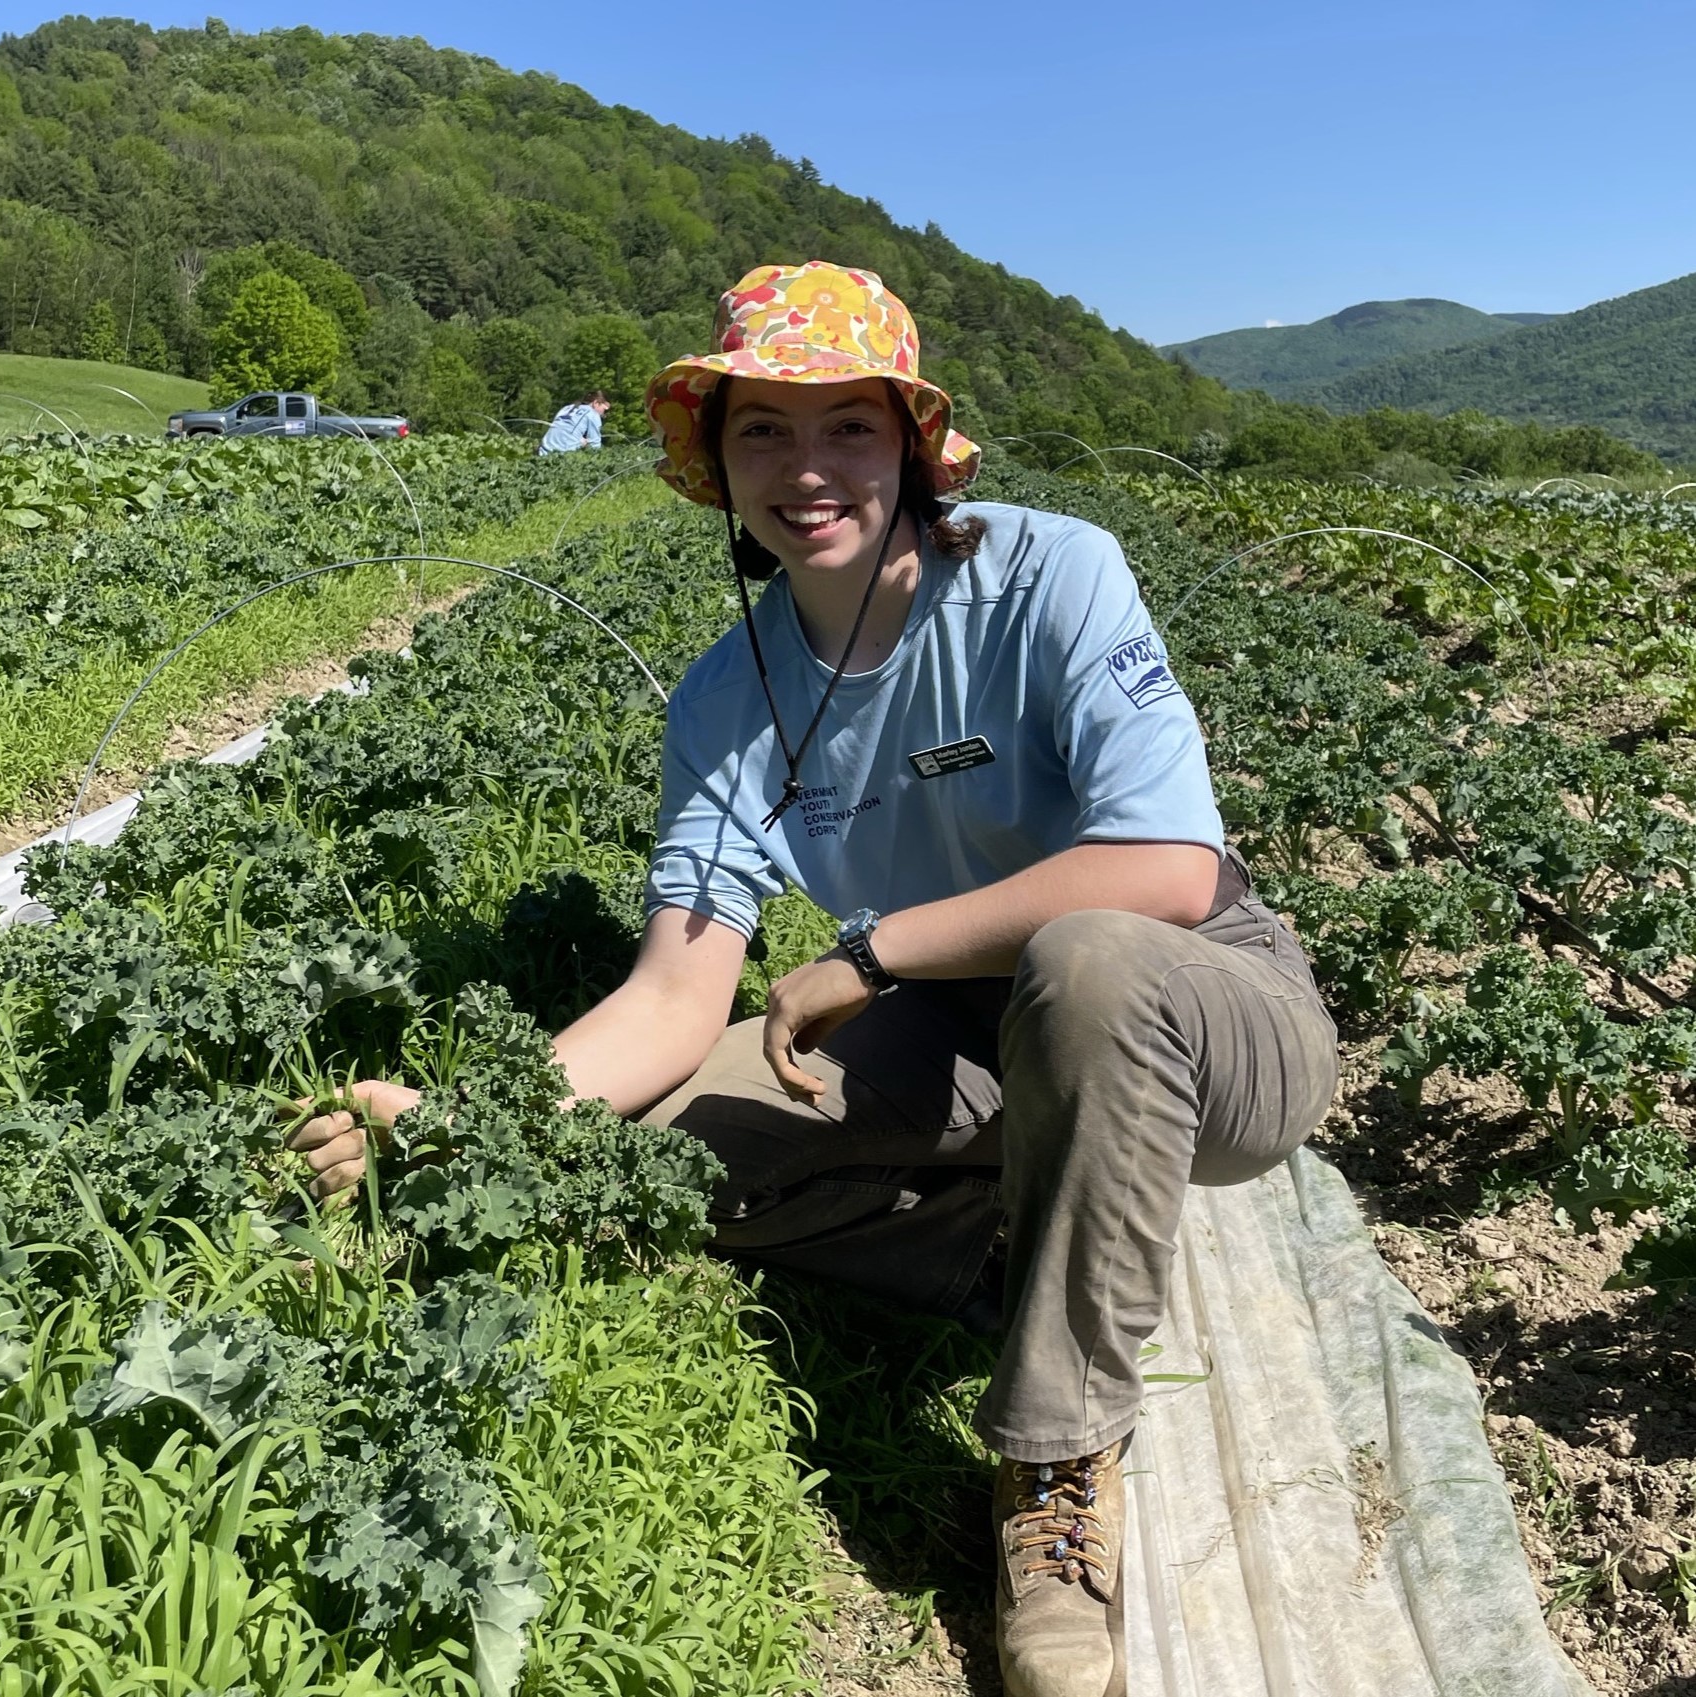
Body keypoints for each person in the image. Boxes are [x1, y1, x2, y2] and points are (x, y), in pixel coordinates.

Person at [291, 261, 1340, 1697]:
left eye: (847, 424)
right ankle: (1005, 1244)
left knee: (1083, 958)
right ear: (714, 462)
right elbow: (672, 996)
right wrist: (473, 1125)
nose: (807, 468)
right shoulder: (729, 695)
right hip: (959, 1027)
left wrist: (870, 951)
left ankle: (1055, 1462)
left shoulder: (1047, 575)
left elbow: (1163, 868)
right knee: (652, 1164)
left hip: (1198, 1001)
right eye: (763, 431)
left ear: (912, 443)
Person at [538, 389, 610, 454]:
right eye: (605, 410)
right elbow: (595, 447)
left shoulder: (566, 408)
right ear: (596, 403)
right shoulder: (592, 414)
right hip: (562, 455)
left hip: (542, 451)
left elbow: (562, 429)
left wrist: (579, 440)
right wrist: (584, 444)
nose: (604, 414)